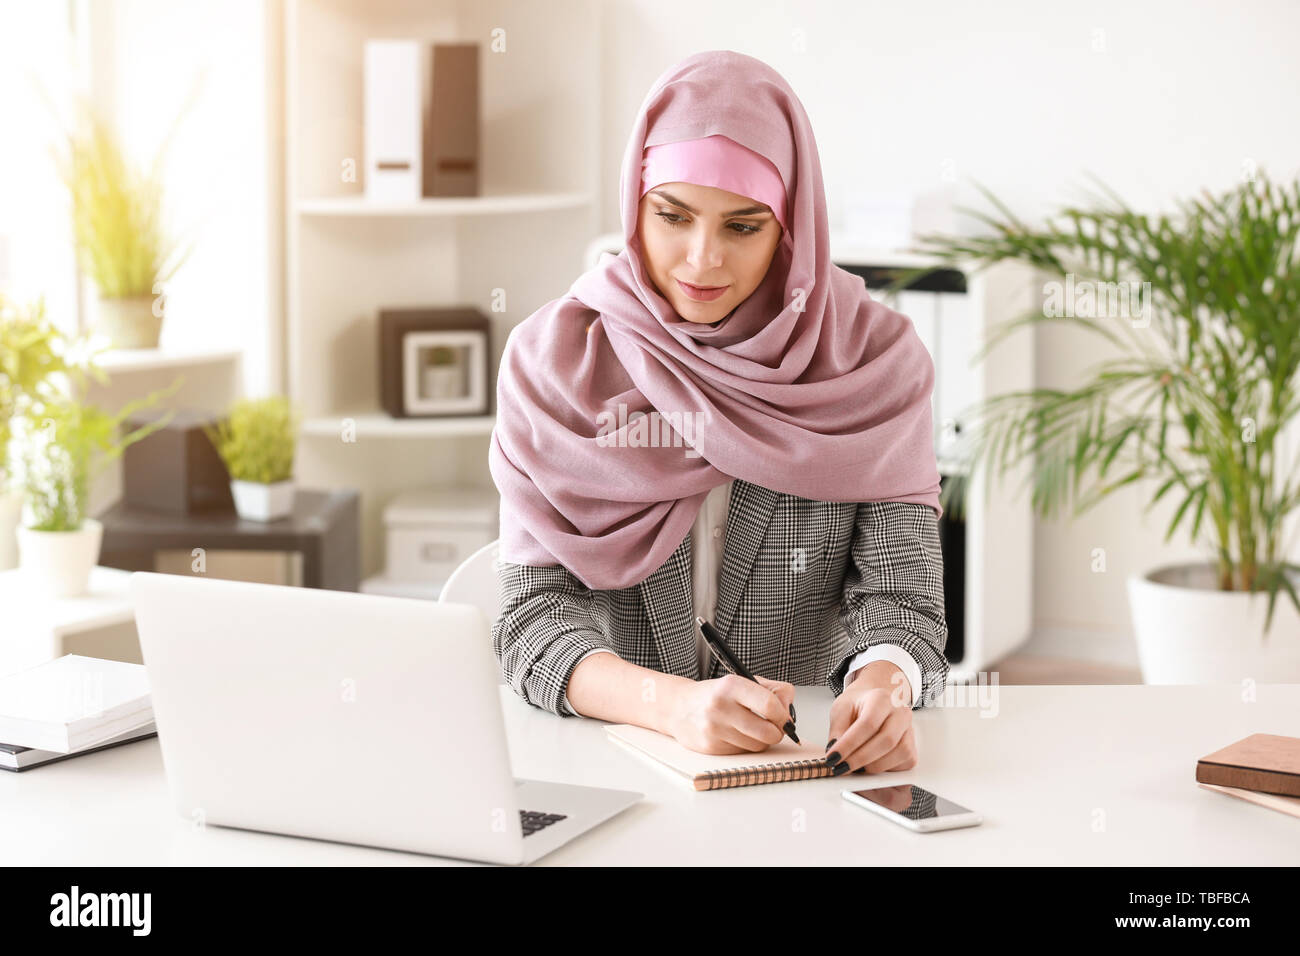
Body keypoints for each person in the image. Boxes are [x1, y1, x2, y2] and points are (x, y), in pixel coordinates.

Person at [488, 51, 948, 777]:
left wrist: (882, 682)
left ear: (789, 227)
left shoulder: (873, 362)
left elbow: (902, 600)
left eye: (742, 227)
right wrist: (671, 706)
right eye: (673, 216)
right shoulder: (554, 362)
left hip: (807, 773)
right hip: (614, 768)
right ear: (634, 206)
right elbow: (531, 619)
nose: (702, 260)